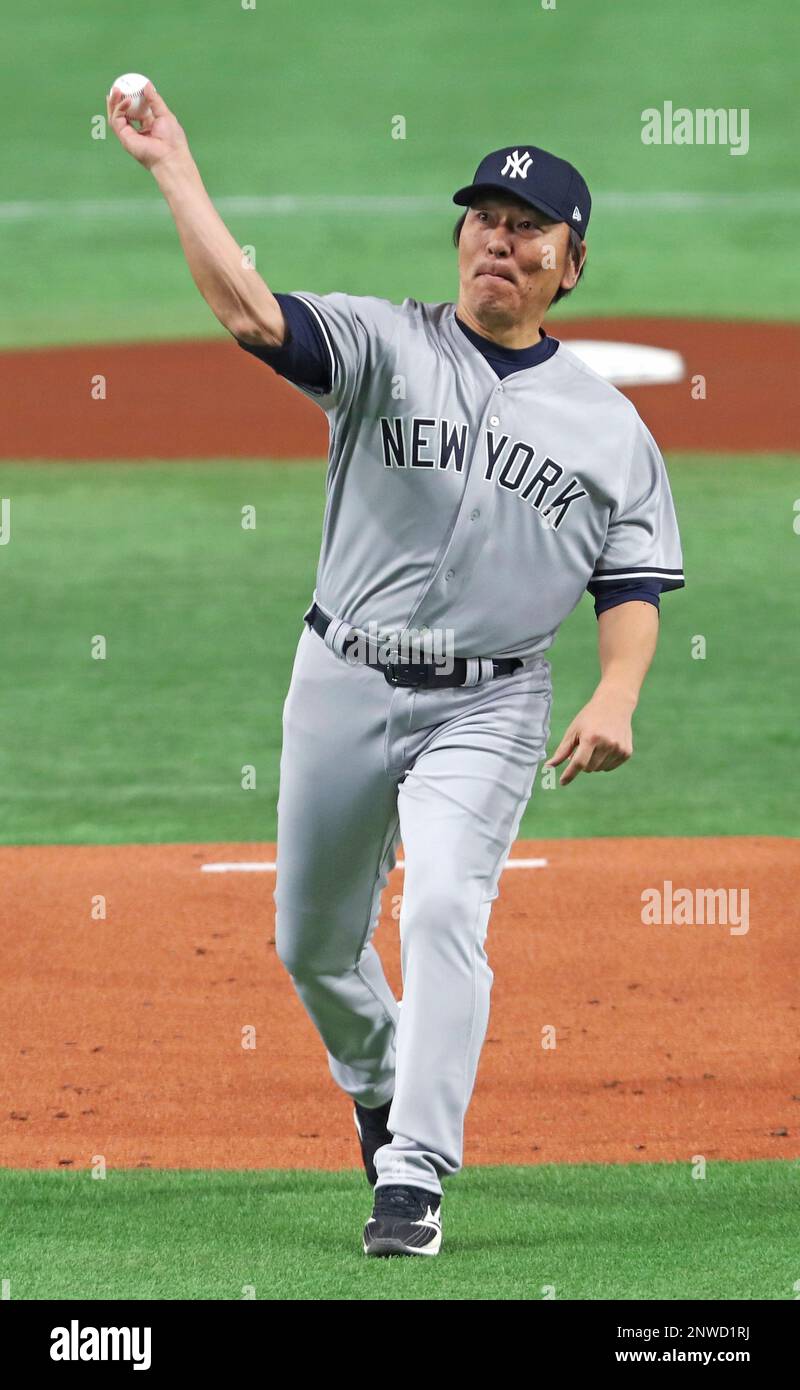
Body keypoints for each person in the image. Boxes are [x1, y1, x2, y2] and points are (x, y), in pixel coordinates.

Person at [108, 85, 685, 1259]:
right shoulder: (382, 344)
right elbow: (252, 314)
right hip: (340, 677)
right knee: (312, 945)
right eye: (482, 217)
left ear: (569, 265)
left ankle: (411, 1172)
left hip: (491, 698)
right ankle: (375, 1086)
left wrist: (615, 692)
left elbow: (630, 586)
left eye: (528, 227)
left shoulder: (606, 428)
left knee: (437, 909)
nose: (498, 239)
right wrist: (174, 168)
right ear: (459, 240)